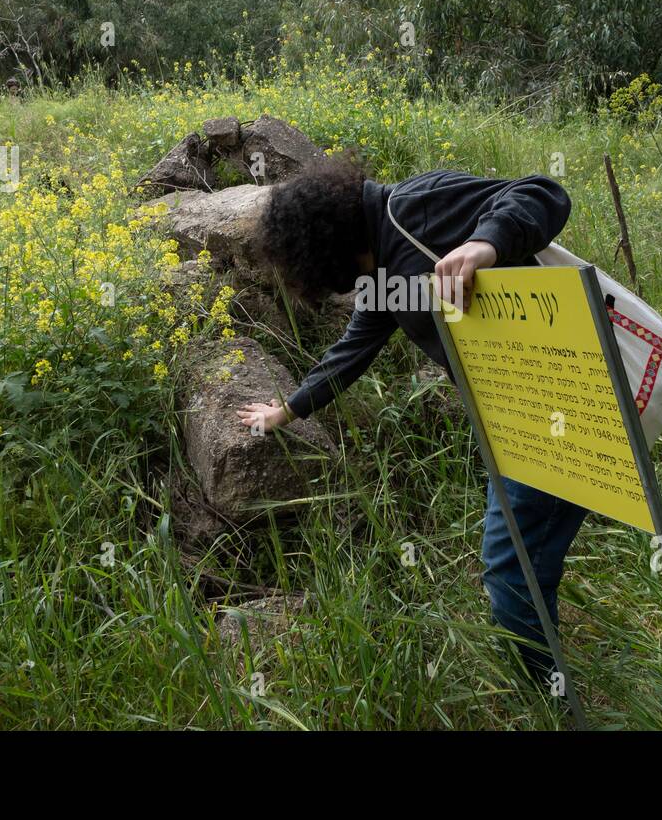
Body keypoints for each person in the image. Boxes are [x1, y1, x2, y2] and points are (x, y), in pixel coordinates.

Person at [235, 155, 584, 679]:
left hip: (561, 399)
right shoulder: (381, 265)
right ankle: (544, 666)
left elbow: (544, 193)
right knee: (522, 552)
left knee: (511, 565)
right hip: (516, 409)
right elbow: (354, 349)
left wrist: (483, 244)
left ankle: (546, 693)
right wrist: (288, 409)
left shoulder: (415, 208)